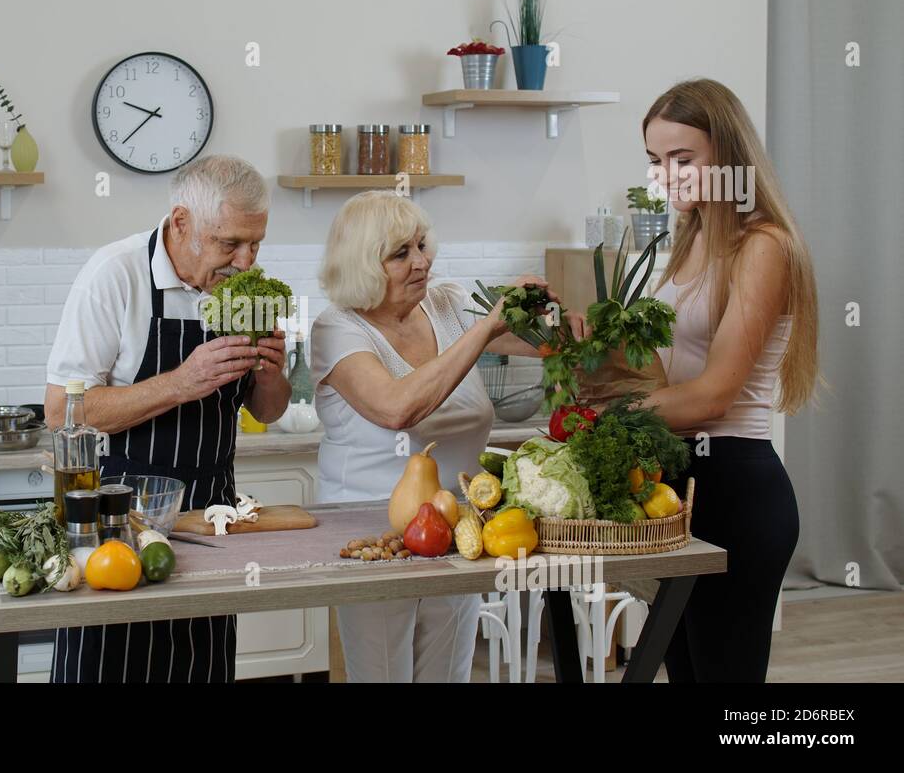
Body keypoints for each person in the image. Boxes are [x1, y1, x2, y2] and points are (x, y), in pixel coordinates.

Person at [311, 190, 580, 682]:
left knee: (447, 674)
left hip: (458, 529)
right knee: (383, 674)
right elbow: (397, 409)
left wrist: (547, 316)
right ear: (363, 265)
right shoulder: (338, 328)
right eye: (401, 253)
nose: (422, 261)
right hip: (373, 539)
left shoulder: (449, 304)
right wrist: (486, 330)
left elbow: (551, 344)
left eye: (421, 245)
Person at [44, 155, 291, 682]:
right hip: (119, 524)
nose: (247, 261)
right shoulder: (115, 275)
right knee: (109, 667)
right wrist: (181, 382)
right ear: (181, 222)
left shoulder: (243, 288)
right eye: (230, 244)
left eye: (257, 243)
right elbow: (62, 410)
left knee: (202, 667)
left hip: (213, 519)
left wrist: (271, 373)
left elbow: (267, 411)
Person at [639, 78, 818, 682]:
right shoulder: (687, 244)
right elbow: (663, 375)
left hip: (738, 491)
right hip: (679, 490)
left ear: (729, 153)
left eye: (682, 159)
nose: (666, 176)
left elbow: (714, 395)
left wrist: (613, 419)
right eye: (655, 161)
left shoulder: (763, 246)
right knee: (684, 672)